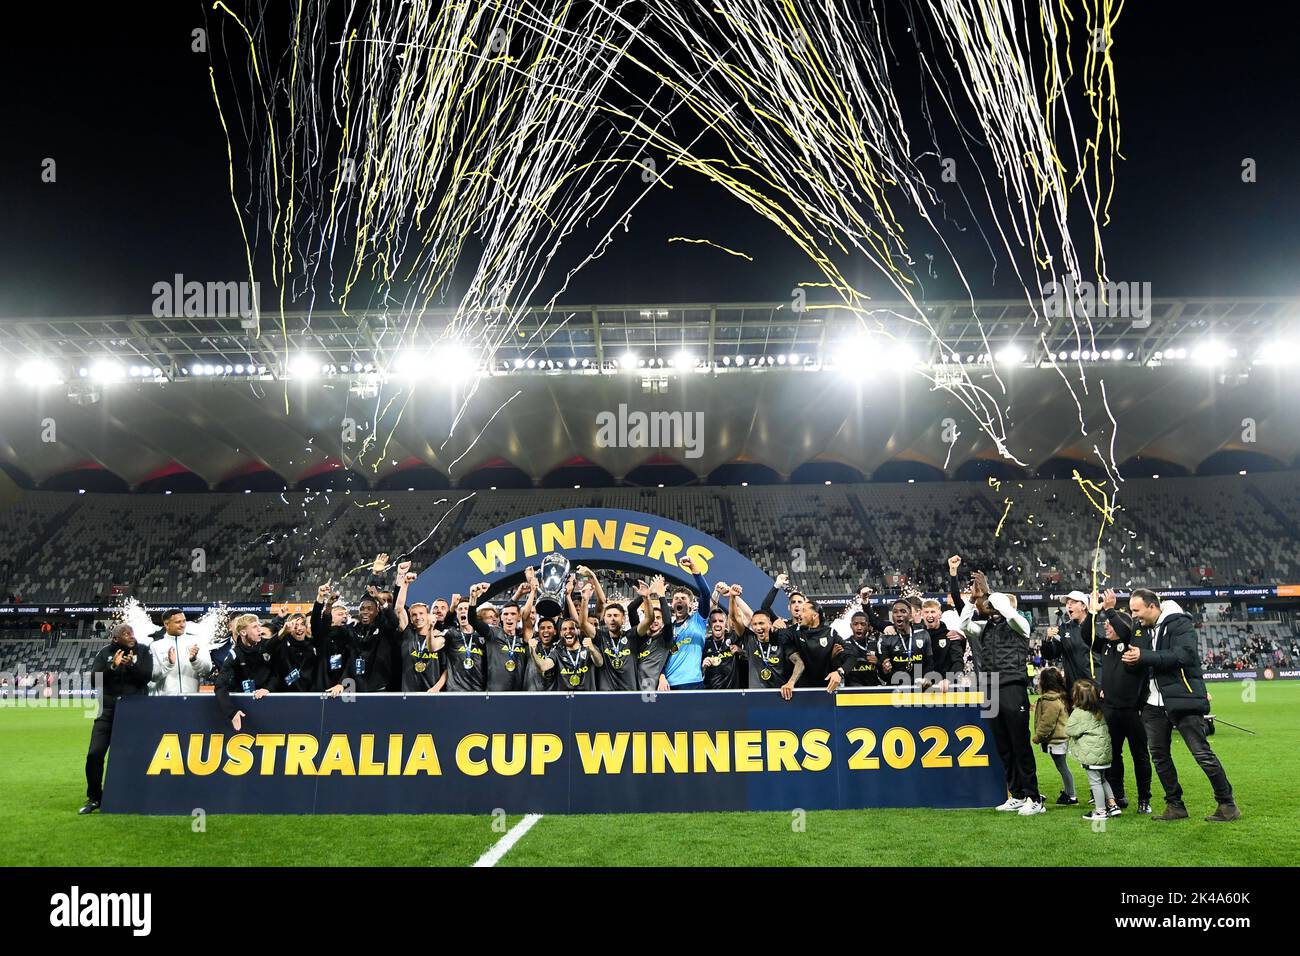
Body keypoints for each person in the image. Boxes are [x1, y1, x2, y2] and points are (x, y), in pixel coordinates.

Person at [1124, 589, 1239, 822]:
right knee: (1159, 756)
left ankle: (1227, 805)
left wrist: (1144, 656)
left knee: (1201, 753)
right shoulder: (1144, 629)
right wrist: (1133, 661)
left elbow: (1183, 655)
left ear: (1152, 606)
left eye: (1136, 610)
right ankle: (1175, 806)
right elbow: (1142, 660)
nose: (1134, 616)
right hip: (1153, 703)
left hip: (1182, 699)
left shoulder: (1180, 623)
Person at [957, 567, 1044, 815]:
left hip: (1012, 687)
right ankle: (1016, 794)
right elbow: (964, 623)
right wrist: (973, 601)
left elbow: (1004, 608)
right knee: (1003, 745)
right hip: (990, 689)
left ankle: (1034, 798)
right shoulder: (984, 629)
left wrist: (989, 591)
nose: (989, 604)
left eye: (992, 601)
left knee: (1020, 745)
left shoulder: (1020, 625)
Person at [80, 623, 154, 814]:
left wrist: (131, 667)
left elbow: (146, 678)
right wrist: (113, 666)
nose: (131, 636)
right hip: (108, 711)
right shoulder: (105, 653)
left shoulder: (143, 651)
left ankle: (135, 795)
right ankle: (95, 797)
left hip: (135, 711)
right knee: (94, 753)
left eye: (132, 632)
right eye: (126, 634)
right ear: (115, 639)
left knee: (136, 756)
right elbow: (95, 681)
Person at [1096, 590, 1152, 814]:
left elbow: (1121, 628)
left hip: (1133, 711)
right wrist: (1094, 611)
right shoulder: (1106, 646)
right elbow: (1085, 636)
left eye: (1110, 624)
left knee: (1140, 755)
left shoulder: (1132, 643)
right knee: (1113, 756)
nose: (1107, 627)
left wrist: (1110, 609)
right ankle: (1117, 796)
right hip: (1110, 710)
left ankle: (1144, 800)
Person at [214, 613, 280, 730]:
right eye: (255, 627)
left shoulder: (267, 646)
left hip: (271, 703)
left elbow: (277, 673)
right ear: (243, 633)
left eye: (259, 625)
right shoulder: (234, 654)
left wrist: (268, 688)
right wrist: (232, 712)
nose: (259, 629)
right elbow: (220, 685)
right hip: (245, 707)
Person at [1066, 678, 1120, 821]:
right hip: (1104, 753)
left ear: (1076, 696)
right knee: (1102, 779)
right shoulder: (1099, 710)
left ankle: (1100, 811)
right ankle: (1113, 805)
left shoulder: (1078, 713)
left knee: (1095, 782)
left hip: (1091, 755)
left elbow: (1070, 730)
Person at [661, 555, 716, 690]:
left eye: (683, 598)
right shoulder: (668, 628)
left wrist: (693, 567)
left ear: (691, 604)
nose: (679, 600)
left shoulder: (698, 620)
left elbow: (705, 593)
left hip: (692, 682)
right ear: (672, 604)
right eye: (676, 598)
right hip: (668, 684)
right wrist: (661, 676)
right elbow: (661, 656)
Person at [770, 598, 843, 695]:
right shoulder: (793, 632)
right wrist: (773, 631)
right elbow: (774, 641)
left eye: (803, 610)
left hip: (826, 691)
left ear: (814, 616)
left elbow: (850, 654)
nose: (799, 614)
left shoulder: (831, 633)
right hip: (799, 691)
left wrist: (839, 672)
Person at [394, 565, 446, 693]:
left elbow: (447, 669)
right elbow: (399, 609)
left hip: (432, 693)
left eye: (421, 613)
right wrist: (405, 584)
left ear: (428, 615)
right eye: (414, 615)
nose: (418, 617)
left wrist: (436, 688)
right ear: (410, 619)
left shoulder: (439, 636)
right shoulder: (408, 634)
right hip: (408, 693)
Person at [1042, 589, 1103, 694]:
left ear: (1084, 606)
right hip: (1073, 689)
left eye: (1073, 603)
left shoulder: (1098, 628)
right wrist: (1047, 640)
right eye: (1067, 603)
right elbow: (1050, 655)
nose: (1068, 606)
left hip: (1094, 688)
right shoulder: (1063, 628)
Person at [1032, 667, 1077, 806]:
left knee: (1062, 767)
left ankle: (1071, 795)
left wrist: (1037, 737)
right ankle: (1069, 793)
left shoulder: (1050, 700)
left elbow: (1047, 723)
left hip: (1056, 739)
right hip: (1060, 738)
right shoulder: (1059, 697)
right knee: (1062, 767)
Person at [148, 609, 212, 695]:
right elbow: (153, 677)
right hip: (165, 700)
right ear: (166, 624)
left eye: (184, 621)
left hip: (191, 699)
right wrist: (169, 663)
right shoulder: (155, 646)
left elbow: (207, 670)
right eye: (178, 622)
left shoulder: (197, 642)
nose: (183, 625)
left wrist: (194, 660)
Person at [629, 577, 674, 692]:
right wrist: (644, 595)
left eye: (658, 618)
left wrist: (661, 597)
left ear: (662, 621)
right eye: (652, 617)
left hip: (650, 690)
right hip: (631, 686)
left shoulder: (665, 639)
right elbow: (631, 609)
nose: (655, 620)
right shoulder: (639, 635)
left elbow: (668, 623)